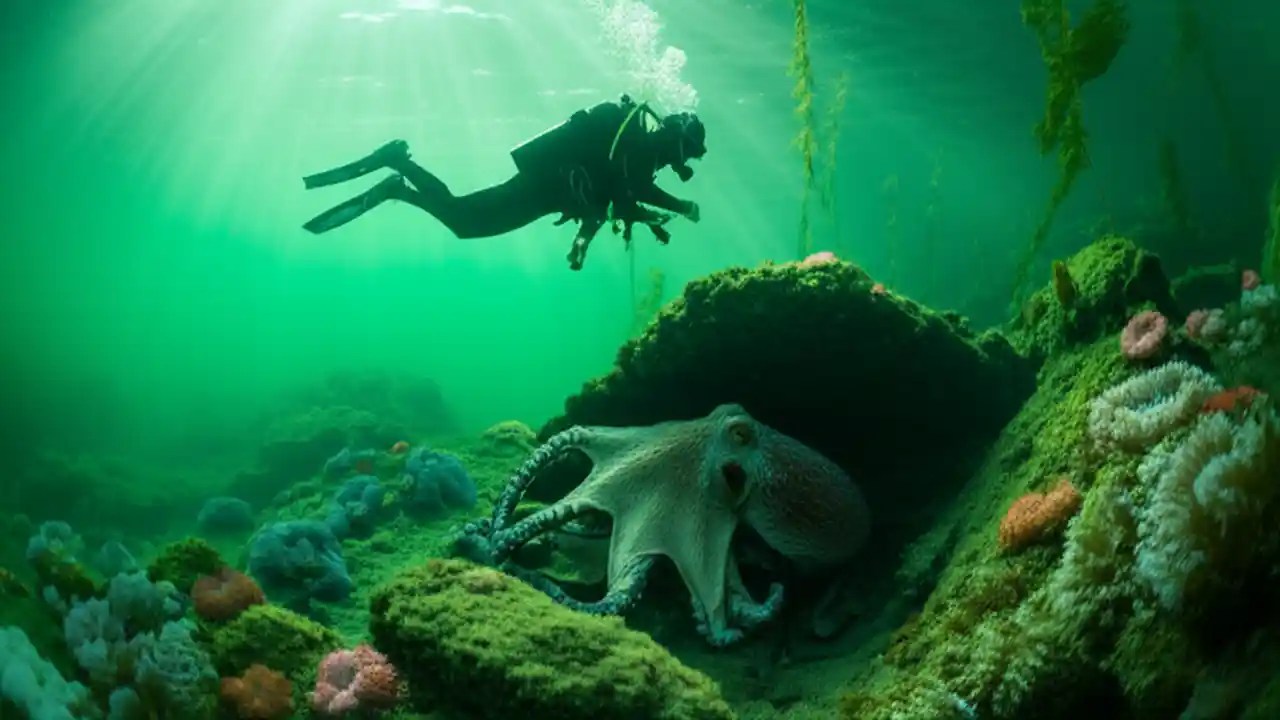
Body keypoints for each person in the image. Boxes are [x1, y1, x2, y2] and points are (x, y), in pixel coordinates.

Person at [301, 94, 706, 270]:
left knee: (463, 220)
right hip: (538, 189)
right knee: (462, 219)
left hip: (542, 193)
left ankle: (399, 180)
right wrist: (682, 209)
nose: (683, 162)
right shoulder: (636, 149)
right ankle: (398, 171)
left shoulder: (635, 153)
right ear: (678, 141)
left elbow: (609, 203)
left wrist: (581, 244)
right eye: (686, 153)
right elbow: (625, 198)